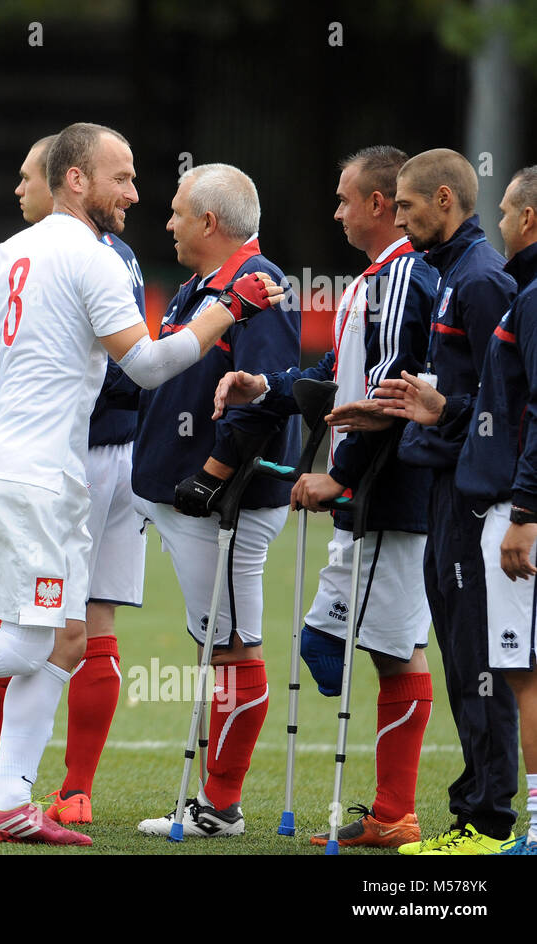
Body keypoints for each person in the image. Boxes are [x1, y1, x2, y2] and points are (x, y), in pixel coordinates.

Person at [0, 122, 283, 845]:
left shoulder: (9, 254)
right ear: (78, 179)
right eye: (122, 176)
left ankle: (7, 802)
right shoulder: (96, 261)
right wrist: (229, 309)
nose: (135, 192)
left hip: (9, 470)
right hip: (42, 481)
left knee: (62, 639)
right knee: (37, 644)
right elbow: (147, 366)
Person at [214, 146, 437, 847]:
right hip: (368, 491)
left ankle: (397, 812)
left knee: (383, 646)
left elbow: (389, 389)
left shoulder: (401, 277)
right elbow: (336, 373)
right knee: (374, 643)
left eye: (345, 199)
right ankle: (392, 810)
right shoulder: (372, 280)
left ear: (378, 204)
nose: (335, 212)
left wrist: (342, 475)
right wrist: (269, 389)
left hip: (389, 490)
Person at [333, 148, 520, 854]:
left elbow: (512, 401)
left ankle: (486, 822)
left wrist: (443, 408)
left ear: (444, 200)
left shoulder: (480, 281)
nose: (399, 219)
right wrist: (391, 411)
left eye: (407, 208)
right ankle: (474, 810)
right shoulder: (446, 275)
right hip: (446, 484)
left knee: (479, 657)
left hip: (474, 493)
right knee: (458, 652)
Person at [130, 162, 300, 839]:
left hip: (227, 503)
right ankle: (210, 798)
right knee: (215, 643)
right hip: (186, 497)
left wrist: (212, 471)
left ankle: (220, 806)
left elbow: (264, 391)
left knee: (232, 645)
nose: (167, 222)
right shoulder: (204, 286)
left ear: (208, 221)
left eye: (176, 212)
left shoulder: (261, 285)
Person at [13, 133, 145, 827]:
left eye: (26, 178)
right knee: (94, 623)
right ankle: (75, 788)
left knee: (38, 621)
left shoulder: (60, 256)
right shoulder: (110, 254)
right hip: (114, 458)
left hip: (72, 462)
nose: (17, 192)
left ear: (62, 182)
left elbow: (128, 370)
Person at [453, 165, 537, 855]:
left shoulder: (532, 297)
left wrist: (526, 510)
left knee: (523, 668)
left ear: (529, 219)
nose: (500, 222)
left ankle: (534, 827)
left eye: (507, 211)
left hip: (520, 507)